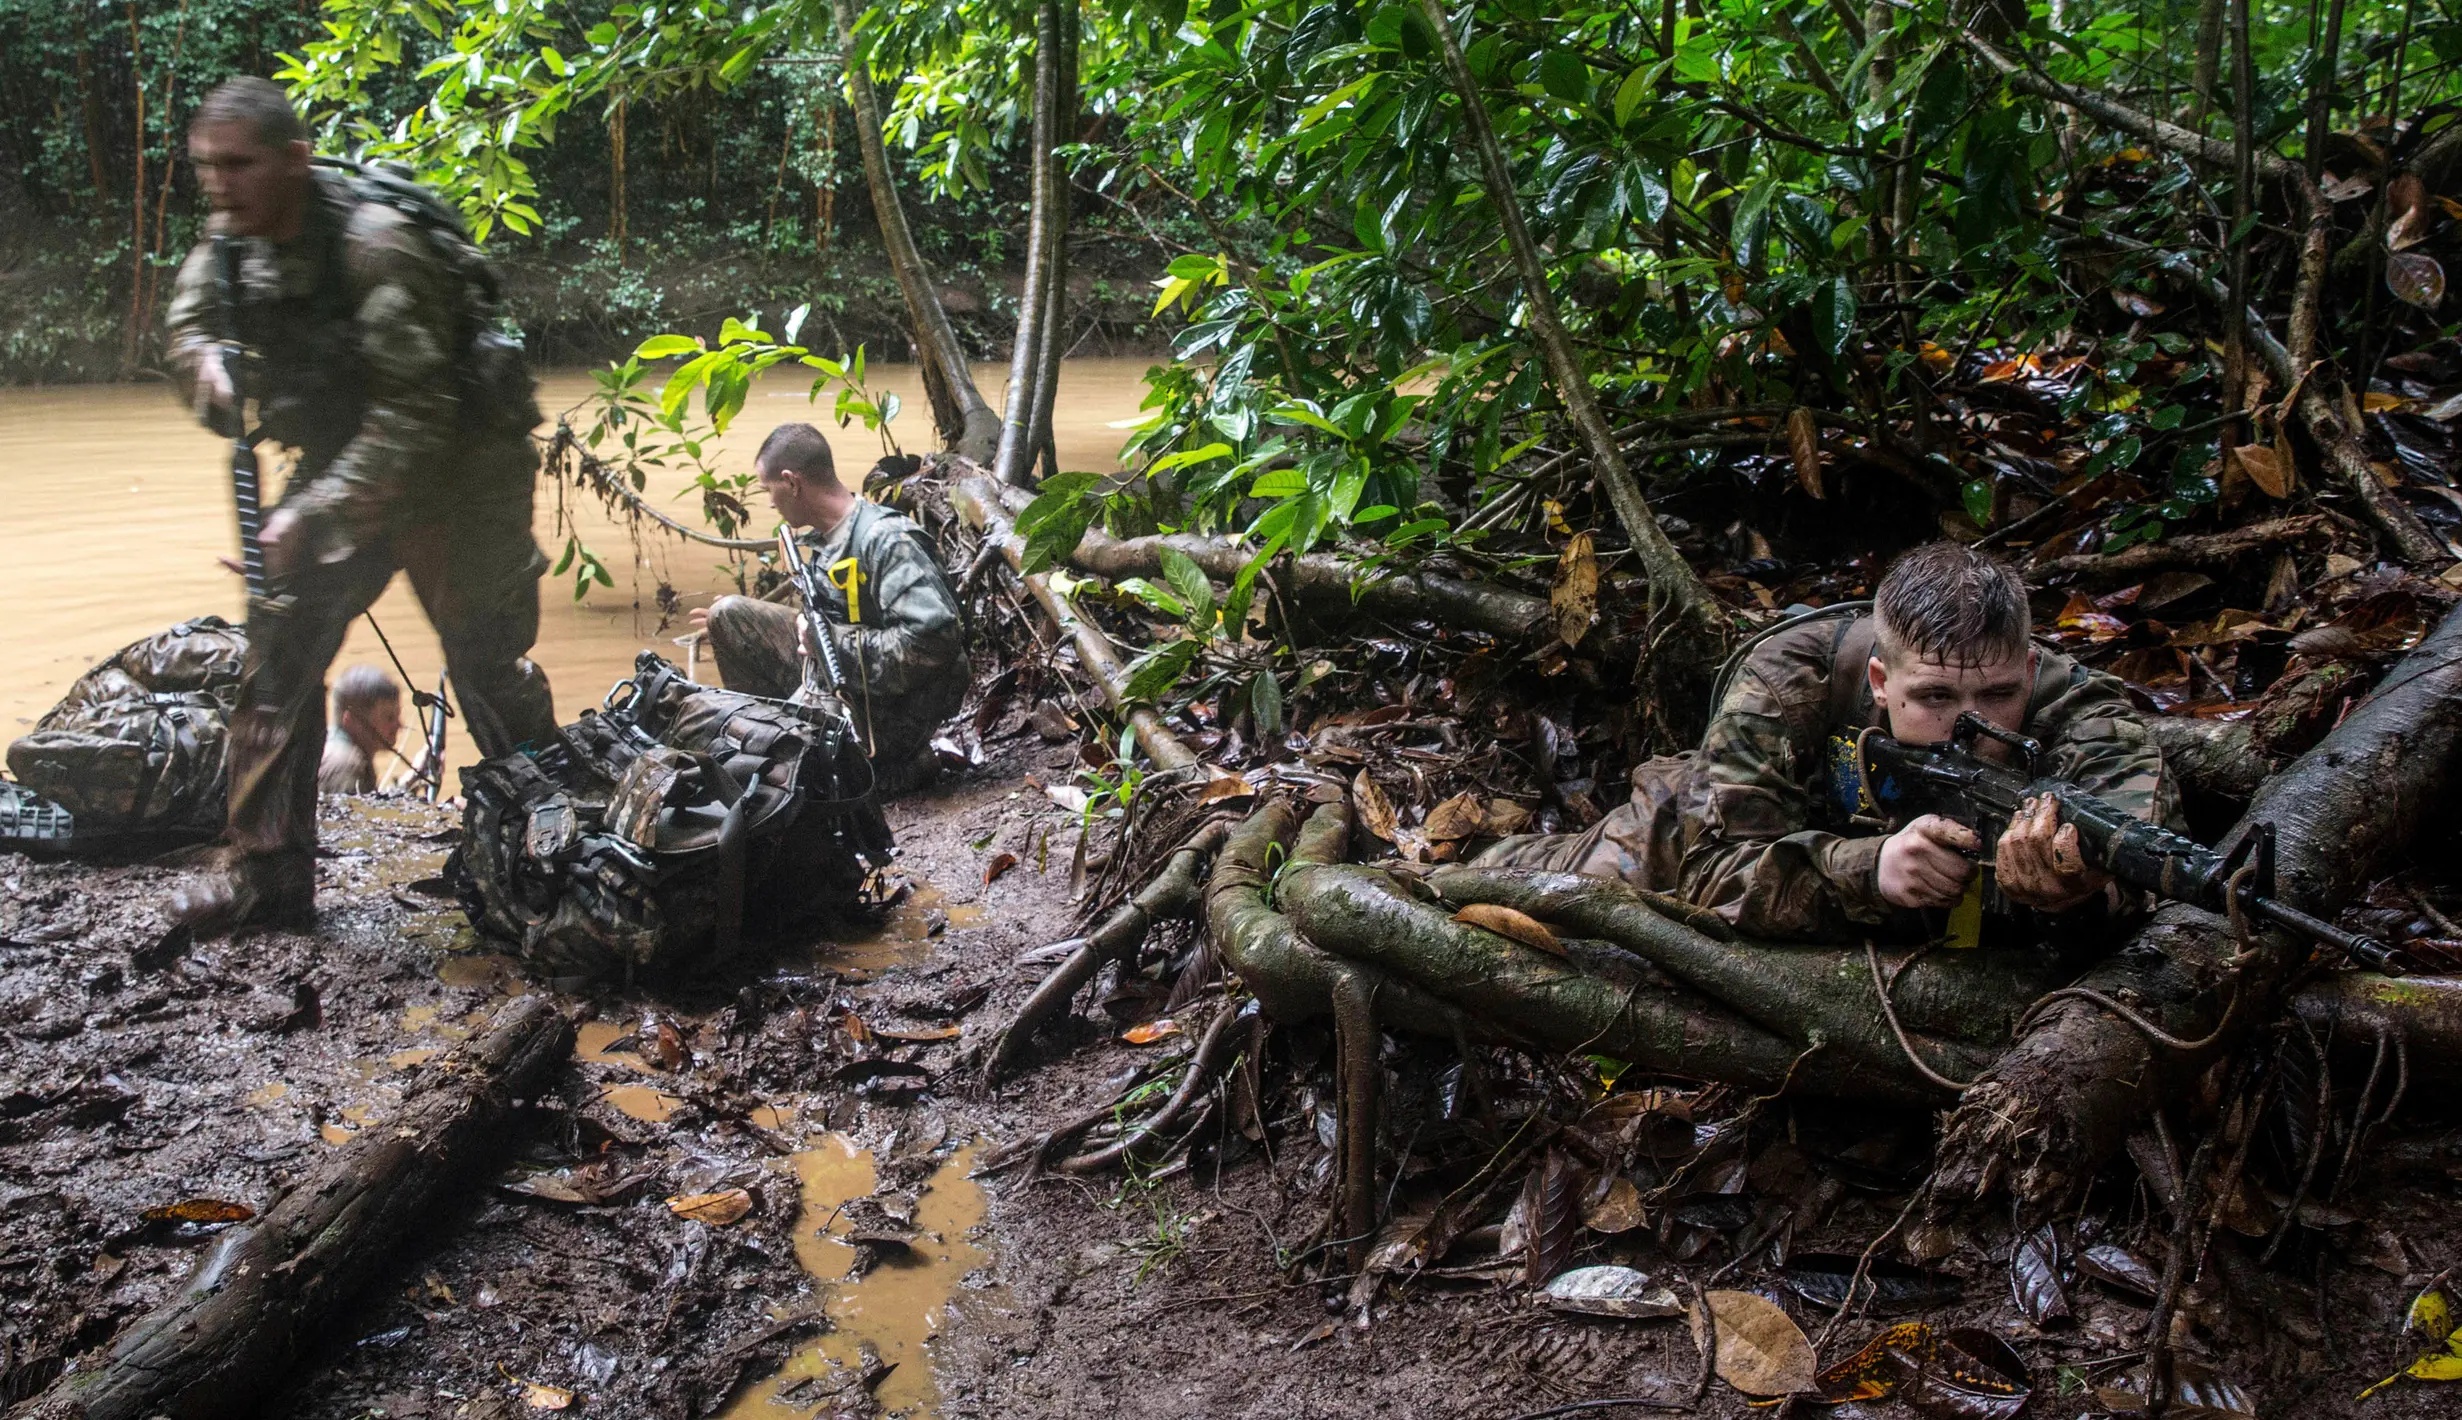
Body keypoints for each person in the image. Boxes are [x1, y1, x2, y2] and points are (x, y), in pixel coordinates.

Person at [161, 77, 555, 932]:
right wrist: (211, 372)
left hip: (461, 474)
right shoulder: (231, 244)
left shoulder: (377, 246)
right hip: (347, 462)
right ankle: (265, 872)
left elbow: (418, 418)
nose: (220, 184)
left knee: (488, 666)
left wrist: (309, 520)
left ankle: (556, 849)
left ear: (295, 161)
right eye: (206, 167)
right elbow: (187, 329)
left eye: (240, 165)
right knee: (278, 651)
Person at [1478, 542, 2181, 946]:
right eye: (1935, 698)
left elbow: (2149, 858)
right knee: (1522, 896)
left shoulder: (2084, 714)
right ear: (1880, 679)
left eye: (1998, 695)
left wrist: (2079, 892)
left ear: (2028, 669)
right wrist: (1870, 869)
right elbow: (1713, 872)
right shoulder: (1790, 681)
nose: (1971, 727)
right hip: (1686, 829)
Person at [690, 423, 965, 794]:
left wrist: (831, 643)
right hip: (843, 679)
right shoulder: (830, 537)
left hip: (891, 709)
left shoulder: (887, 540)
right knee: (728, 615)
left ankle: (892, 767)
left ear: (791, 482)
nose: (770, 503)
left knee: (750, 766)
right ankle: (784, 734)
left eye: (768, 490)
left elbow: (934, 642)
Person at [317, 665, 402, 795]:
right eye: (389, 717)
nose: (399, 725)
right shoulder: (346, 766)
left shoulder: (333, 748)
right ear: (351, 720)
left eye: (397, 716)